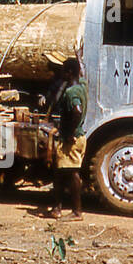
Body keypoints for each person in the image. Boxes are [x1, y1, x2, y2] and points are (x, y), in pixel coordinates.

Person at [50, 56, 87, 220]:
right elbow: (82, 74)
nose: (61, 74)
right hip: (79, 137)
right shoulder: (82, 86)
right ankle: (57, 208)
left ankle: (77, 212)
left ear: (70, 72)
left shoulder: (71, 92)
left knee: (72, 173)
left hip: (71, 139)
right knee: (59, 172)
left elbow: (77, 111)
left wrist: (70, 133)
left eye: (64, 71)